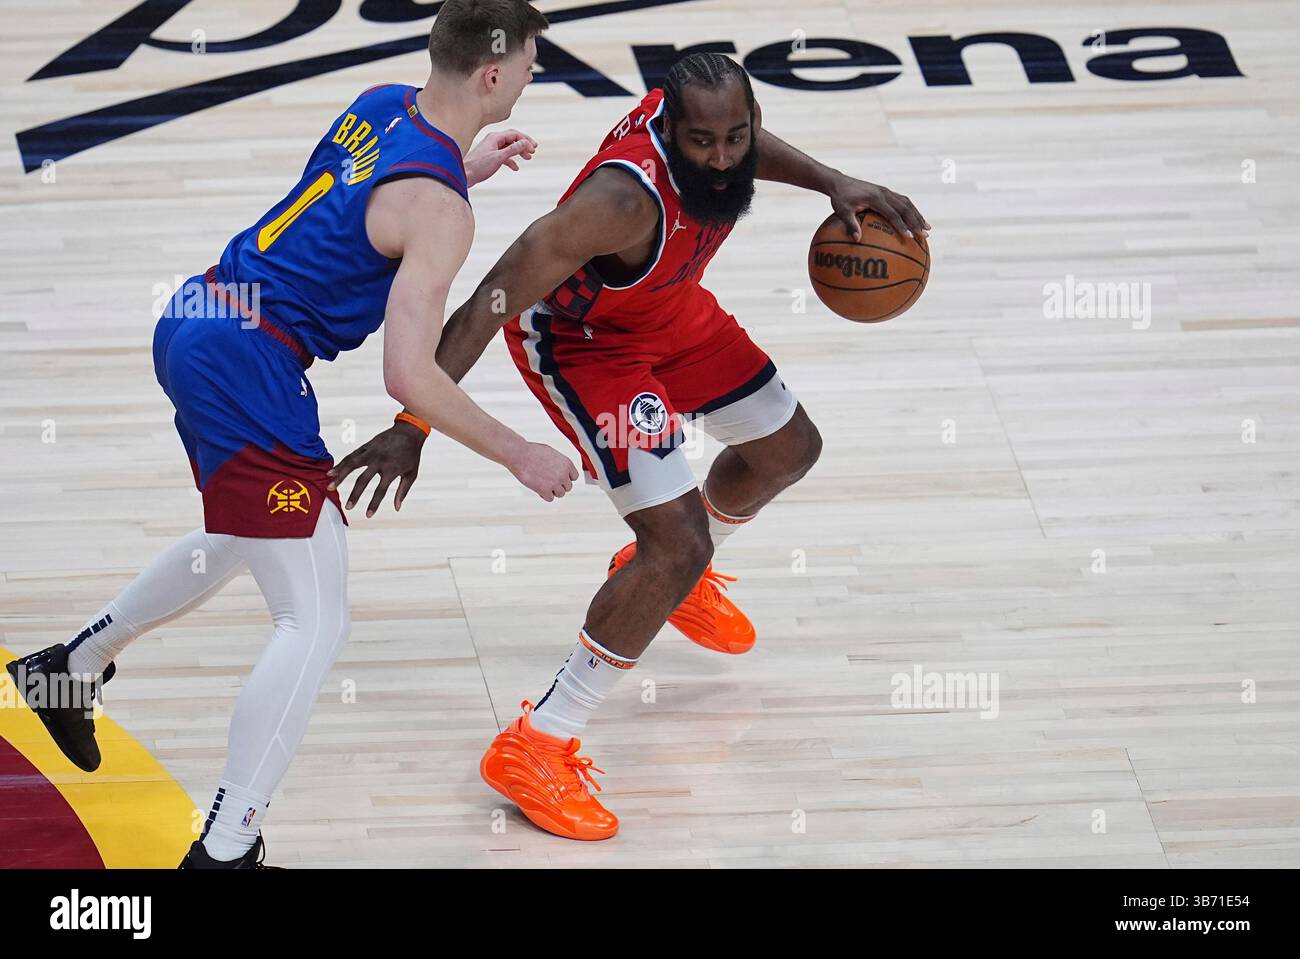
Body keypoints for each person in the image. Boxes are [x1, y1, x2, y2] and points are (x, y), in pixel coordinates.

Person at [5, 0, 574, 868]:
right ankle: (229, 843)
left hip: (199, 312)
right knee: (314, 616)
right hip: (249, 366)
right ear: (494, 74)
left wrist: (465, 166)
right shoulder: (439, 213)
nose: (534, 77)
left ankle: (71, 666)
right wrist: (519, 452)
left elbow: (363, 201)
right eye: (531, 64)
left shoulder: (384, 103)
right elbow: (409, 375)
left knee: (247, 531)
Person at [330, 52, 930, 840]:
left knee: (788, 447)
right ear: (670, 131)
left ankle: (676, 575)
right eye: (702, 142)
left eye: (734, 137)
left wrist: (831, 181)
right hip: (583, 345)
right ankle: (536, 743)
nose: (721, 157)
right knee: (672, 542)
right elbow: (489, 299)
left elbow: (746, 147)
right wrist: (414, 423)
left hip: (669, 309)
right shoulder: (617, 204)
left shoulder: (723, 138)